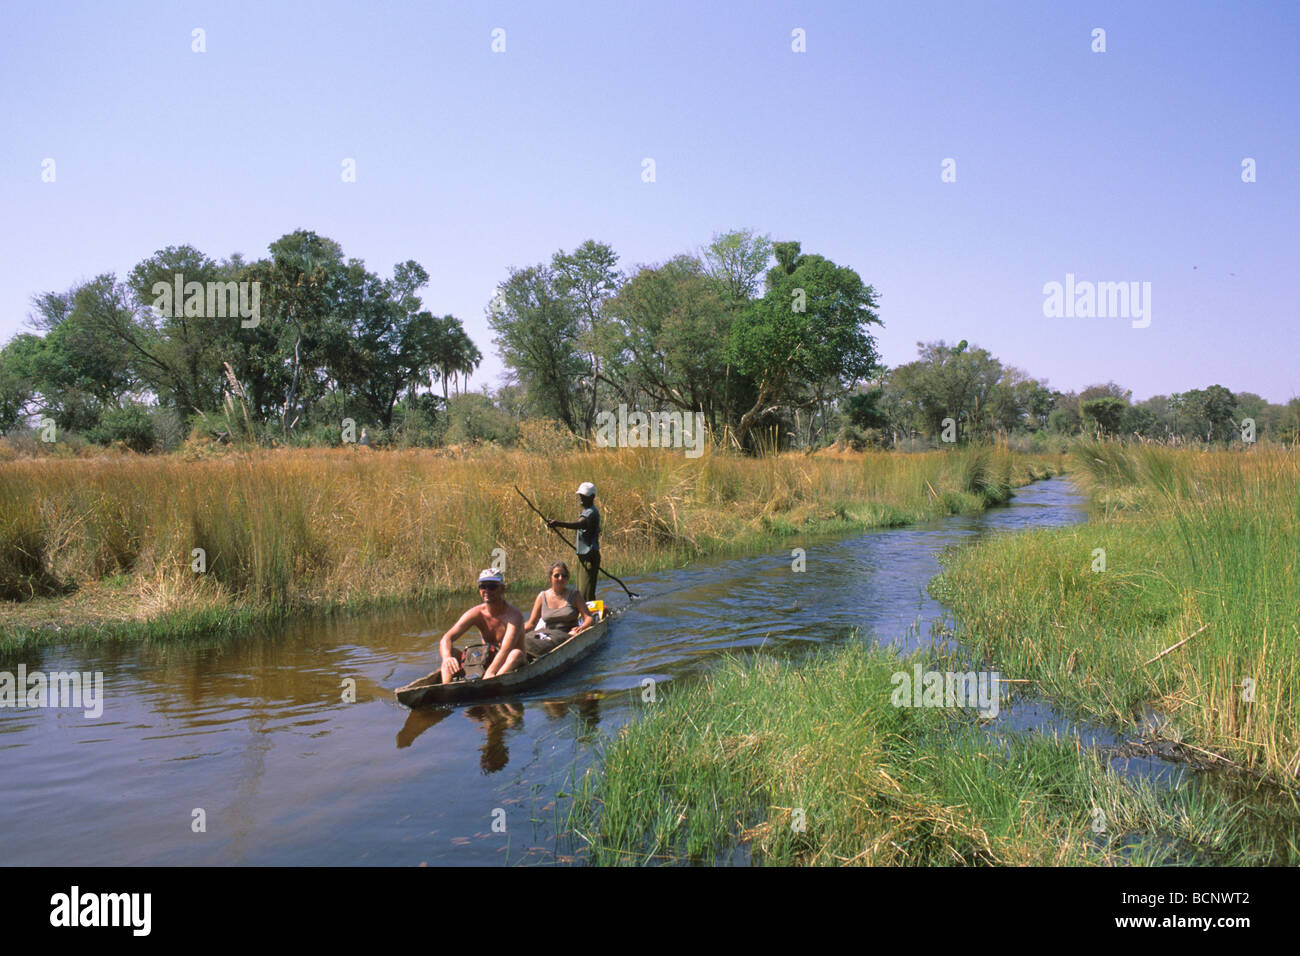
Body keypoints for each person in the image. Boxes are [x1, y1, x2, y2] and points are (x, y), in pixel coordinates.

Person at [438, 569, 526, 683]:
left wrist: (491, 672)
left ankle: (494, 683)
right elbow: (447, 638)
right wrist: (446, 657)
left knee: (516, 653)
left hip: (510, 661)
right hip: (487, 658)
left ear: (502, 589)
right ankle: (446, 688)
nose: (487, 590)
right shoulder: (476, 613)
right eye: (483, 586)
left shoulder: (514, 616)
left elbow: (506, 649)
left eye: (492, 586)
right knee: (451, 653)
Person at [522, 561, 595, 661]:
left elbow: (588, 618)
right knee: (524, 640)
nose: (560, 578)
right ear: (550, 578)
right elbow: (531, 623)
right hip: (545, 634)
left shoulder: (574, 595)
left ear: (567, 578)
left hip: (566, 635)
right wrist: (515, 633)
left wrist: (581, 627)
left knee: (533, 645)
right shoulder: (542, 596)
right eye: (556, 575)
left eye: (564, 576)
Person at [548, 482, 600, 601]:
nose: (581, 498)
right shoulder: (586, 510)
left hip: (589, 557)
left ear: (592, 497)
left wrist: (558, 524)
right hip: (583, 556)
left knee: (586, 592)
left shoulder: (591, 512)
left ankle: (588, 615)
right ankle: (584, 612)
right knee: (581, 589)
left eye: (584, 495)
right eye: (580, 495)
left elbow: (579, 524)